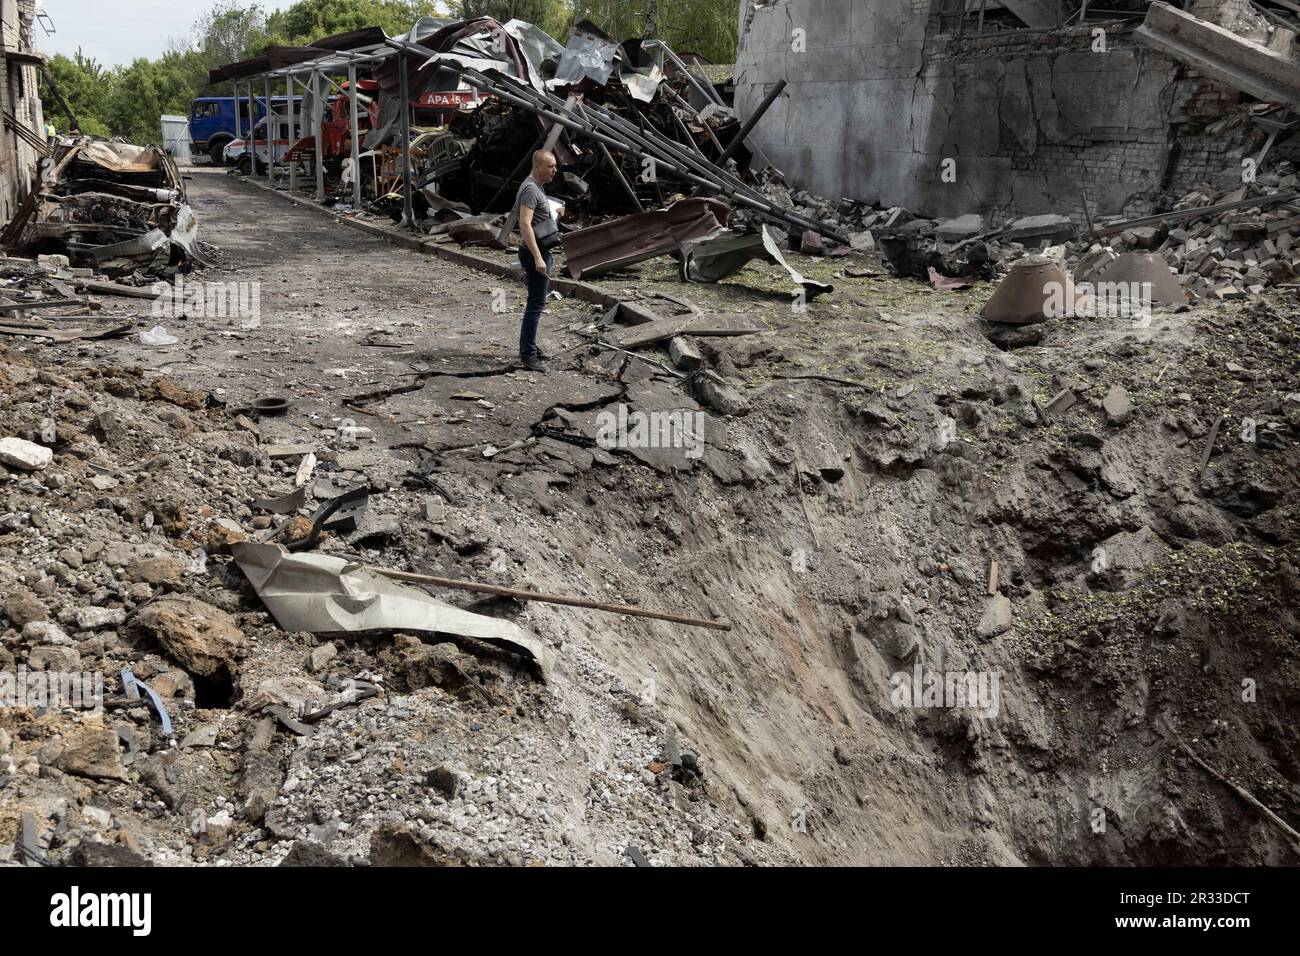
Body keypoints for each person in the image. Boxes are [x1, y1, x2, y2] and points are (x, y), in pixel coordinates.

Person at [513, 149, 564, 372]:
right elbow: (525, 224)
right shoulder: (530, 190)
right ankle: (528, 355)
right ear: (538, 167)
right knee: (535, 305)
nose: (555, 170)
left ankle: (530, 347)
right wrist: (537, 258)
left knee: (536, 303)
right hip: (536, 253)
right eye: (551, 166)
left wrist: (556, 213)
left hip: (541, 251)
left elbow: (537, 219)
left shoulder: (536, 188)